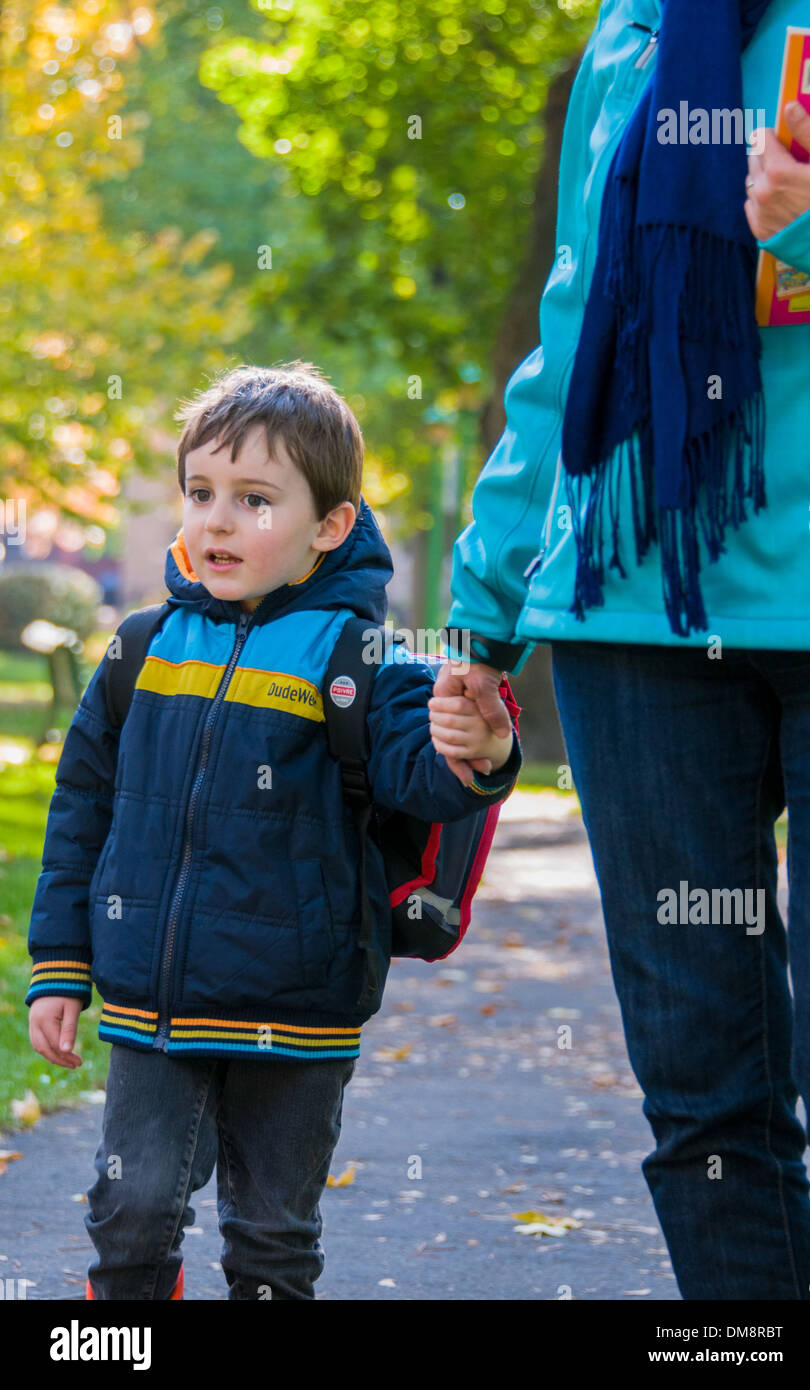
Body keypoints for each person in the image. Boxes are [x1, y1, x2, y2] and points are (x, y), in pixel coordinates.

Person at [436, 0, 810, 1300]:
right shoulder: (635, 30)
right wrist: (482, 607)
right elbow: (573, 331)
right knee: (705, 1099)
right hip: (633, 613)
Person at [25, 361, 522, 1301]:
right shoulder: (141, 648)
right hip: (152, 1008)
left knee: (272, 1240)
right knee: (129, 1217)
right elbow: (82, 808)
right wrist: (59, 963)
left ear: (329, 526)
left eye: (254, 500)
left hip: (298, 1007)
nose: (215, 521)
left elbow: (423, 777)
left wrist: (480, 749)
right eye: (199, 493)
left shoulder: (360, 657)